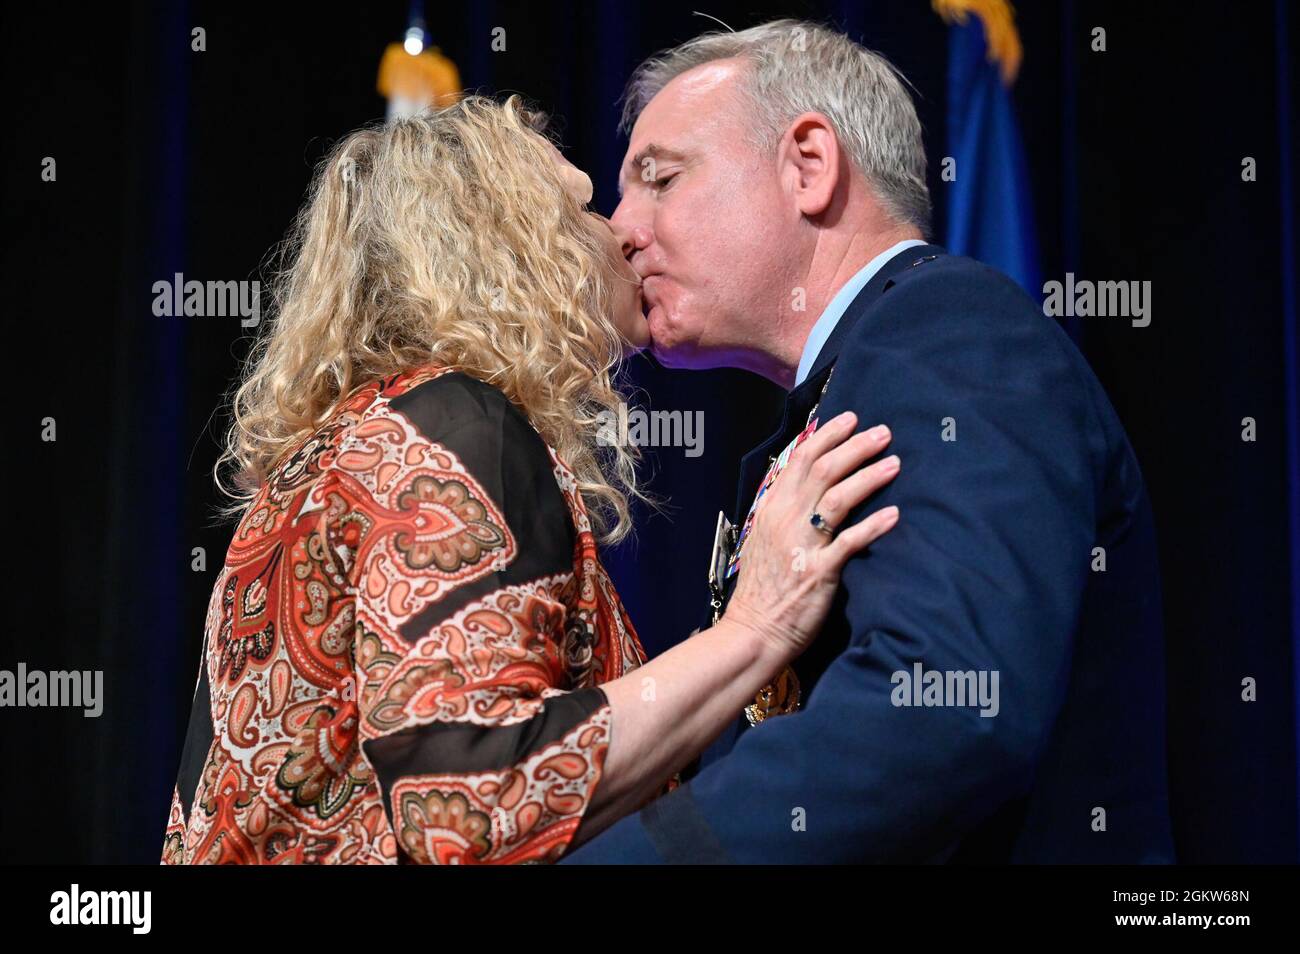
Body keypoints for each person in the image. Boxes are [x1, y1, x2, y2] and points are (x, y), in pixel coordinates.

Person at [159, 95, 901, 865]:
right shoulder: (452, 427)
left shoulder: (357, 438)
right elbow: (471, 801)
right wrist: (757, 630)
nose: (619, 231)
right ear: (512, 244)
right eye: (583, 209)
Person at [565, 19, 1174, 863]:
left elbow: (947, 705)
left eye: (660, 179)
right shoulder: (866, 371)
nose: (621, 228)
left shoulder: (952, 335)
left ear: (808, 166)